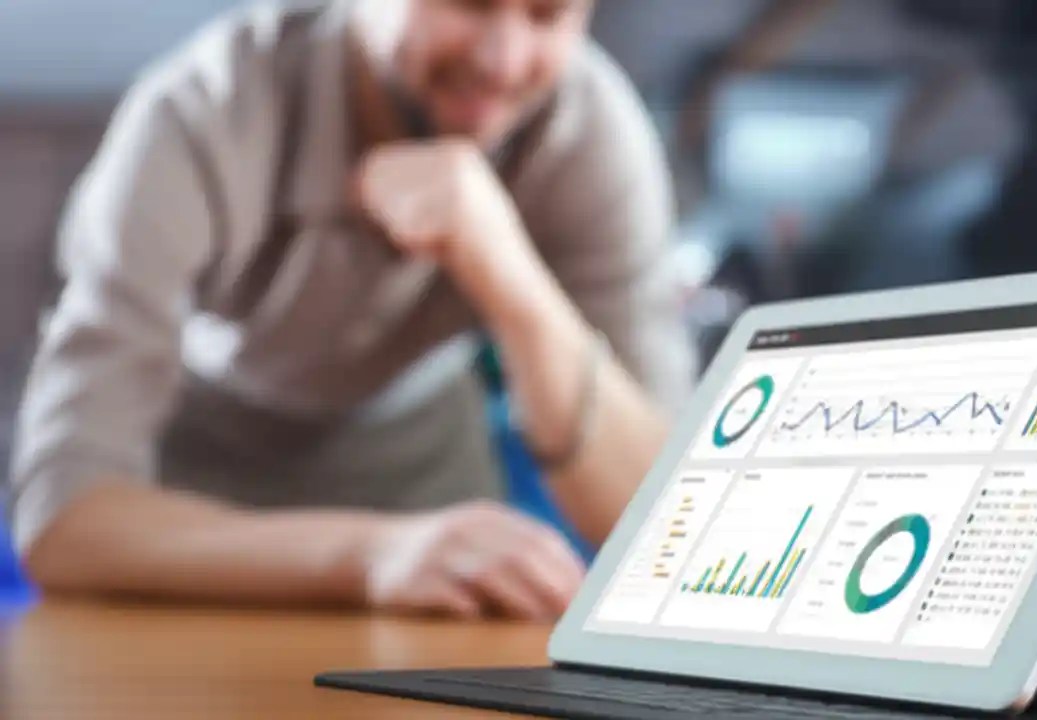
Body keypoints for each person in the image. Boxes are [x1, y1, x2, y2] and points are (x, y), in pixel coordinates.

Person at [8, 0, 693, 620]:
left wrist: (506, 267)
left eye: (547, 15)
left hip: (427, 475)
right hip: (195, 483)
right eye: (468, 3)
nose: (503, 60)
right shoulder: (202, 109)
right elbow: (64, 520)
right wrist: (370, 554)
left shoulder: (593, 131)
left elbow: (662, 525)